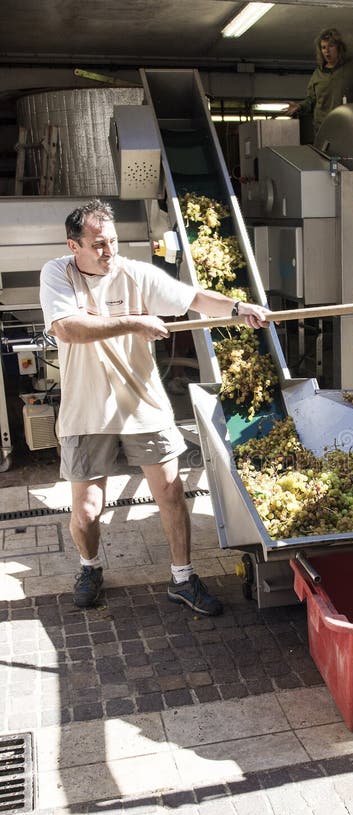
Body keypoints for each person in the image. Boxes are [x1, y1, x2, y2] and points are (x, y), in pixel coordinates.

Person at [39, 199, 268, 612]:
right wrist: (133, 322)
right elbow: (68, 329)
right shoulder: (58, 273)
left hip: (142, 403)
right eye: (98, 245)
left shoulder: (135, 273)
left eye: (112, 241)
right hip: (86, 408)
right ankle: (90, 566)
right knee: (89, 510)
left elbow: (195, 298)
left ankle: (182, 578)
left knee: (171, 491)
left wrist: (237, 308)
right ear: (74, 246)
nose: (109, 252)